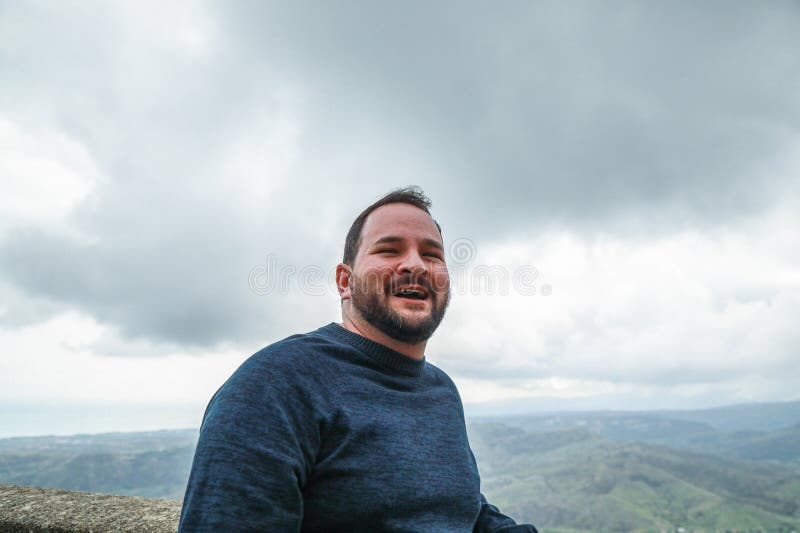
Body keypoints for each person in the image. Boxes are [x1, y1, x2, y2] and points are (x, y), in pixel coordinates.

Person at [178, 186, 537, 532]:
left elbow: (461, 508)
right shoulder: (274, 385)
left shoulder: (440, 390)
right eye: (389, 250)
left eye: (432, 254)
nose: (416, 265)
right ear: (344, 281)